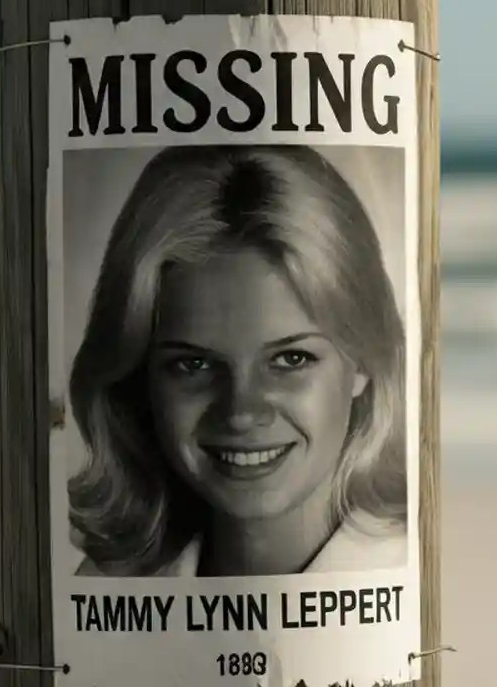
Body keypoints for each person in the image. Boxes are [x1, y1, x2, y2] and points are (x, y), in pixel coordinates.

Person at [67, 145, 407, 577]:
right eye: (194, 365)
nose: (242, 413)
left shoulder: (410, 579)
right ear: (140, 377)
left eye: (291, 358)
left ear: (362, 361)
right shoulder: (107, 584)